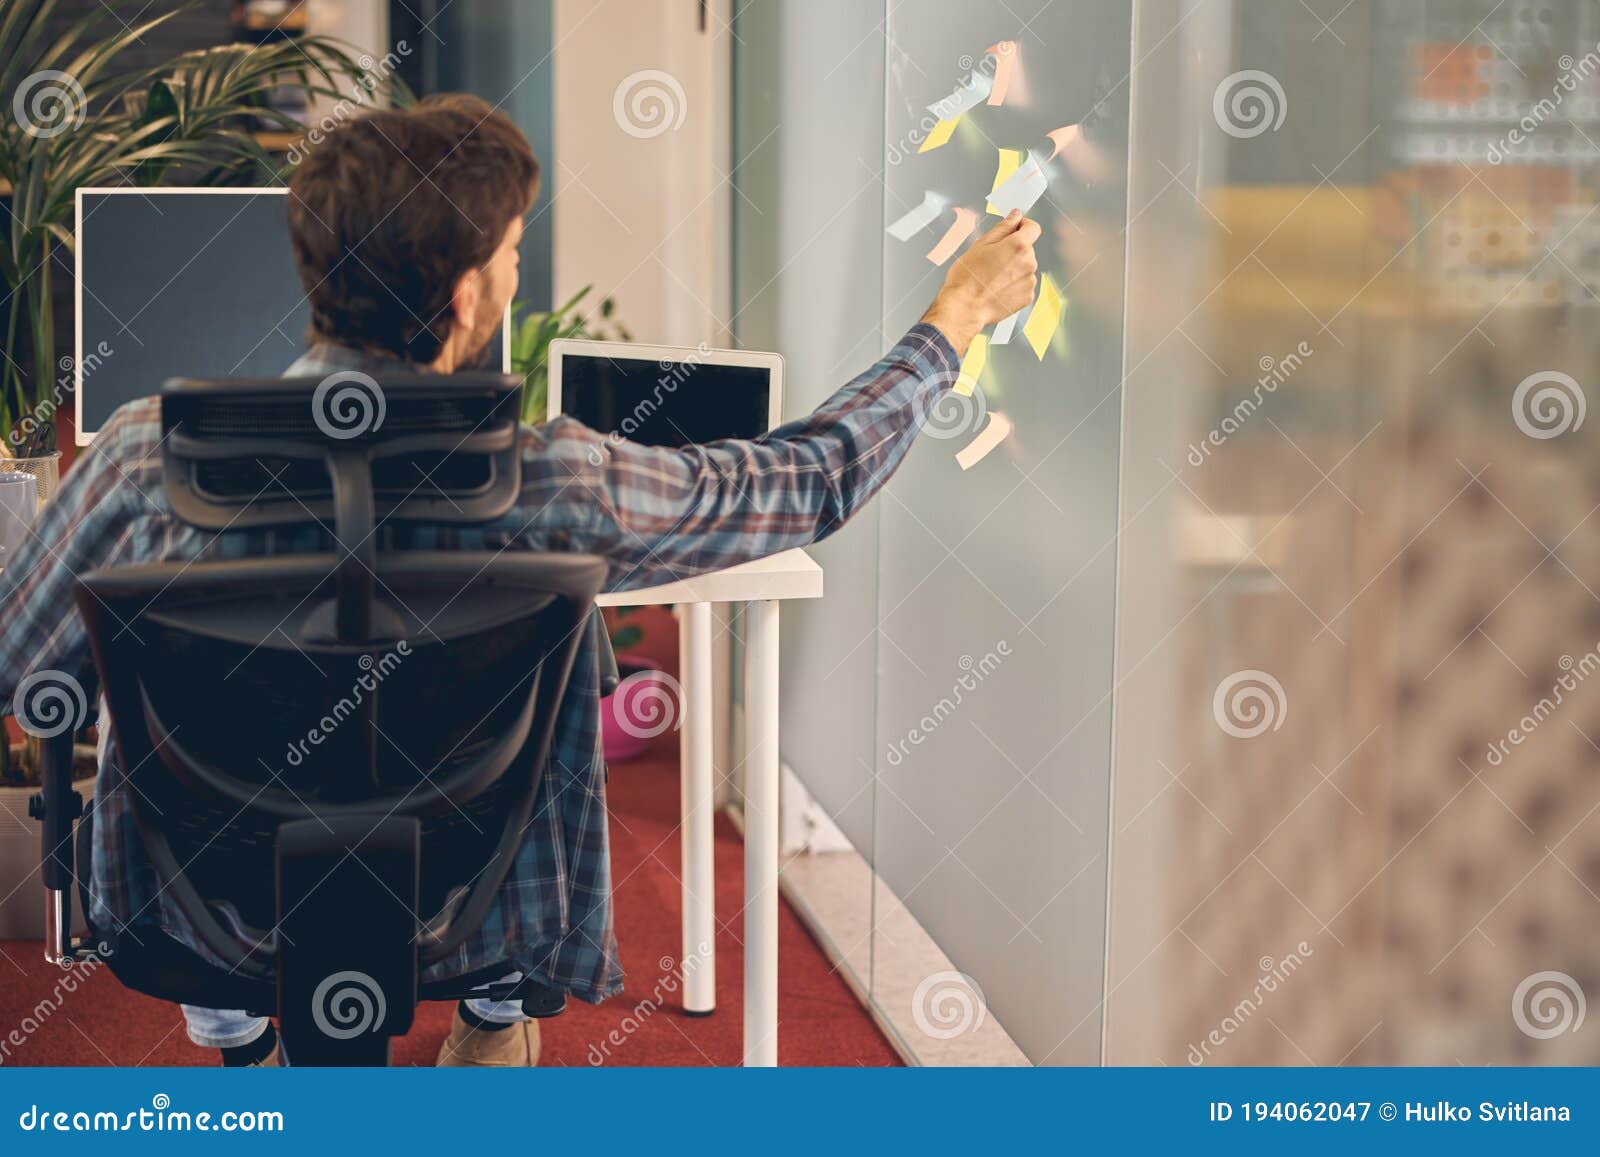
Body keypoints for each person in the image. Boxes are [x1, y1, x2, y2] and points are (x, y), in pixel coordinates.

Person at [0, 93, 1039, 1067]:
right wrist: (952, 317)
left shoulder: (141, 460)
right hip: (479, 902)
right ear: (465, 298)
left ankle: (240, 1041)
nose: (511, 274)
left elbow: (20, 671)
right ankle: (493, 1021)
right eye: (506, 255)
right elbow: (811, 478)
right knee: (564, 644)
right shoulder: (555, 479)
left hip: (205, 906)